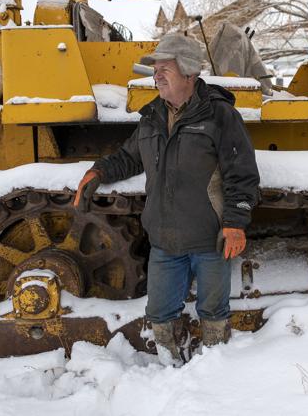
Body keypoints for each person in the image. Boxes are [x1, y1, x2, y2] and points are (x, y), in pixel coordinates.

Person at [73, 32, 260, 364]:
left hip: (209, 240)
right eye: (155, 69)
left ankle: (214, 366)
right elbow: (129, 157)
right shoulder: (152, 116)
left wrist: (235, 224)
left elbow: (241, 174)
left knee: (213, 310)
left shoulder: (219, 116)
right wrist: (99, 171)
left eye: (164, 69)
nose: (156, 75)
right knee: (159, 313)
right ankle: (170, 364)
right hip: (164, 240)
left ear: (188, 73)